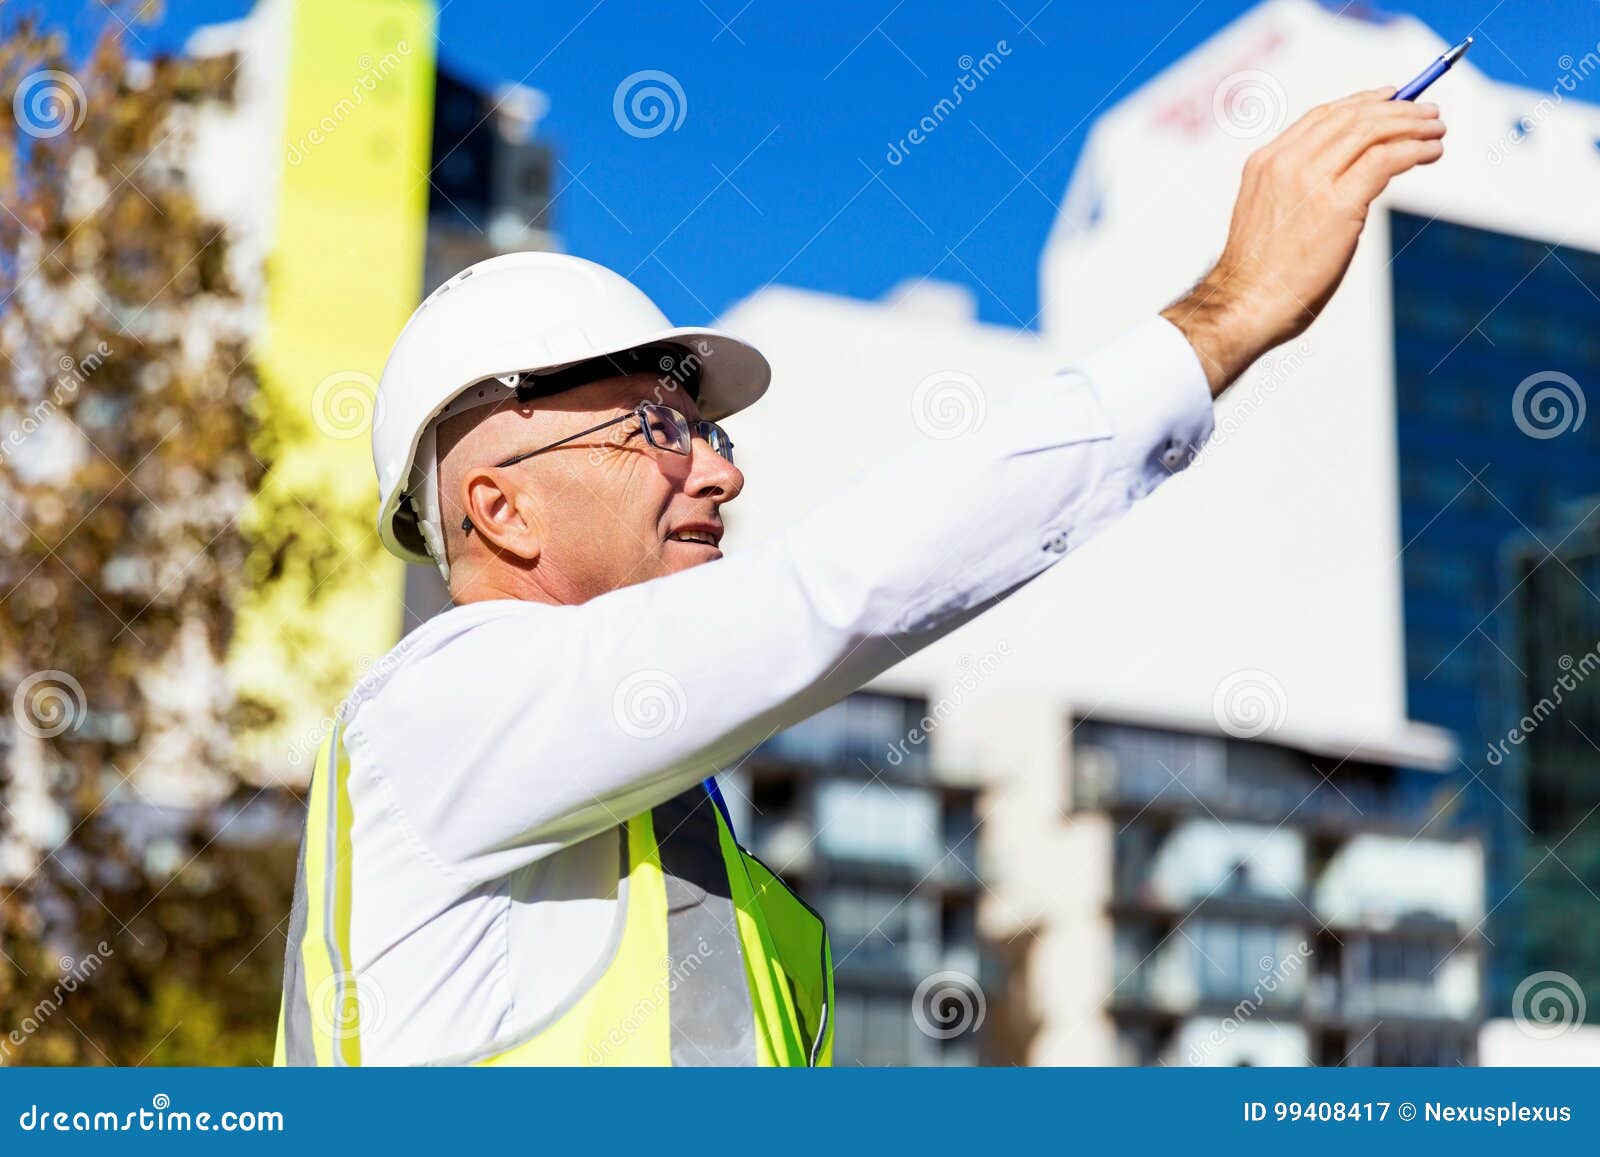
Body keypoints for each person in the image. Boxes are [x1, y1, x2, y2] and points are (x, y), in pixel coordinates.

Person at [275, 89, 1446, 1065]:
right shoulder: (442, 708)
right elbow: (838, 587)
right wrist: (1227, 313)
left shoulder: (661, 826)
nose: (720, 473)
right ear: (500, 507)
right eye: (655, 427)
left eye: (707, 431)